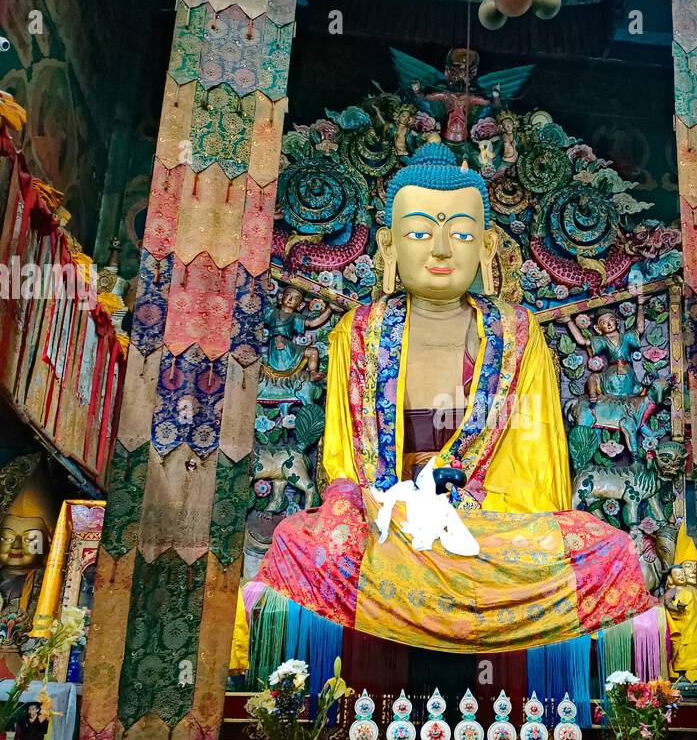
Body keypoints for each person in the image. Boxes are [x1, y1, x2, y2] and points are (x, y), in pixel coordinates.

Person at [243, 144, 650, 654]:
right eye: (420, 233)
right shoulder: (359, 333)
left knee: (608, 553)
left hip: (488, 525)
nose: (440, 250)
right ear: (389, 247)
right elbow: (344, 463)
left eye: (460, 234)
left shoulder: (519, 333)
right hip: (386, 519)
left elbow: (535, 473)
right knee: (295, 547)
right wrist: (382, 507)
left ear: (484, 247)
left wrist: (465, 511)